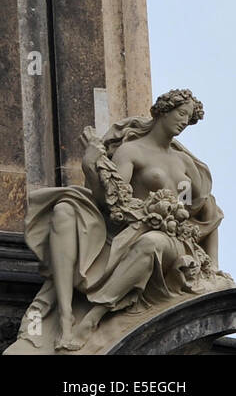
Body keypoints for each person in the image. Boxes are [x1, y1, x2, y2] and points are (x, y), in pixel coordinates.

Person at [15, 88, 231, 352]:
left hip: (176, 242)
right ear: (162, 111)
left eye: (189, 117)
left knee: (156, 241)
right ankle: (69, 317)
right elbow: (113, 200)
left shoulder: (184, 162)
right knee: (77, 215)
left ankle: (93, 317)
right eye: (180, 113)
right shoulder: (132, 151)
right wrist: (90, 167)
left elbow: (205, 209)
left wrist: (214, 268)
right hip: (136, 230)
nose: (184, 121)